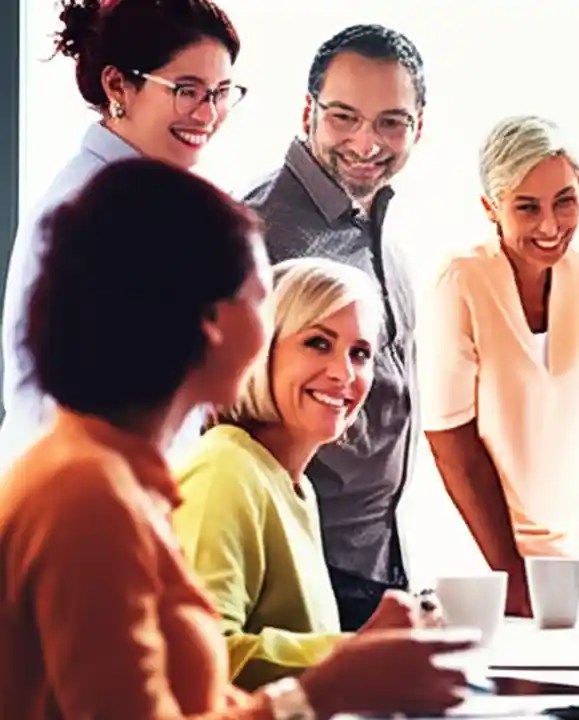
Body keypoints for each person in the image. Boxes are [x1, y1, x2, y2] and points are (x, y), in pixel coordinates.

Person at [0, 158, 469, 720]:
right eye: (259, 297)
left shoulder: (123, 479)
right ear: (206, 320)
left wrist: (351, 666)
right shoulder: (90, 494)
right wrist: (324, 690)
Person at [0, 0, 248, 469]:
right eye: (187, 91)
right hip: (80, 483)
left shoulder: (147, 197)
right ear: (118, 85)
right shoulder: (93, 210)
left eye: (220, 93)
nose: (208, 114)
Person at [420, 115, 579, 616]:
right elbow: (449, 440)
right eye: (527, 207)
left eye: (564, 201)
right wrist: (511, 576)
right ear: (491, 208)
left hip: (562, 558)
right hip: (483, 557)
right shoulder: (461, 280)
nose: (550, 226)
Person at [174, 258, 436, 690]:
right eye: (317, 343)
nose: (343, 373)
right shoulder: (225, 467)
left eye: (360, 353)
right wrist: (358, 651)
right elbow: (201, 657)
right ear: (260, 350)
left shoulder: (297, 487)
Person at [241, 24, 426, 629]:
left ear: (418, 126)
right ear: (308, 112)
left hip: (377, 563)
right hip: (298, 572)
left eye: (391, 122)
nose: (366, 142)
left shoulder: (381, 231)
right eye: (344, 117)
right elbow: (210, 420)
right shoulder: (255, 233)